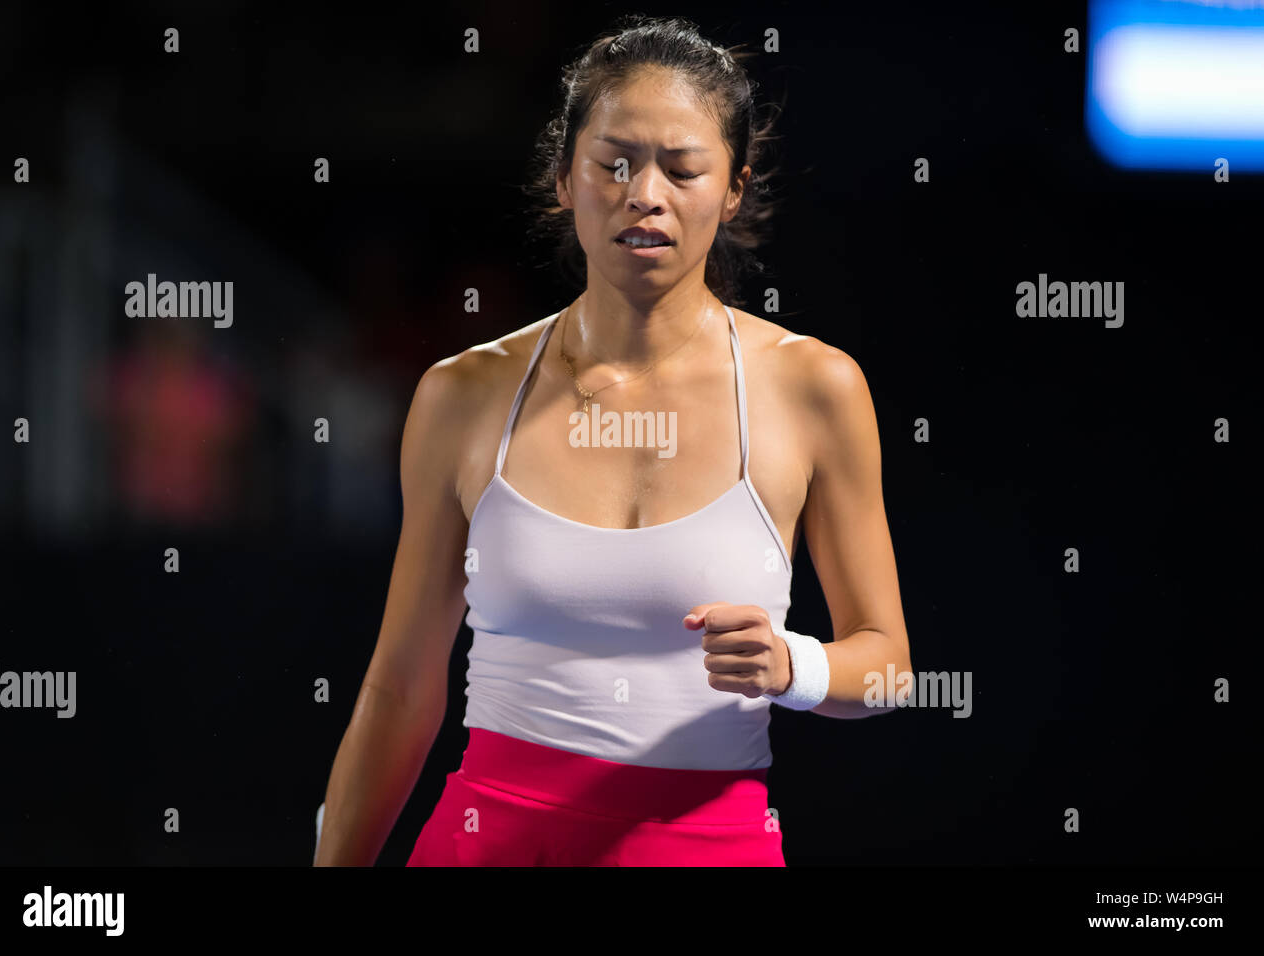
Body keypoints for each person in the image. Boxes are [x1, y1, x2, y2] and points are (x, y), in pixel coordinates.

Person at [314, 15, 912, 867]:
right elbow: (399, 687)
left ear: (734, 188)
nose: (646, 194)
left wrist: (794, 664)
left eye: (682, 168)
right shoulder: (461, 395)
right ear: (564, 179)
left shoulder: (816, 389)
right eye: (615, 164)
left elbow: (888, 668)